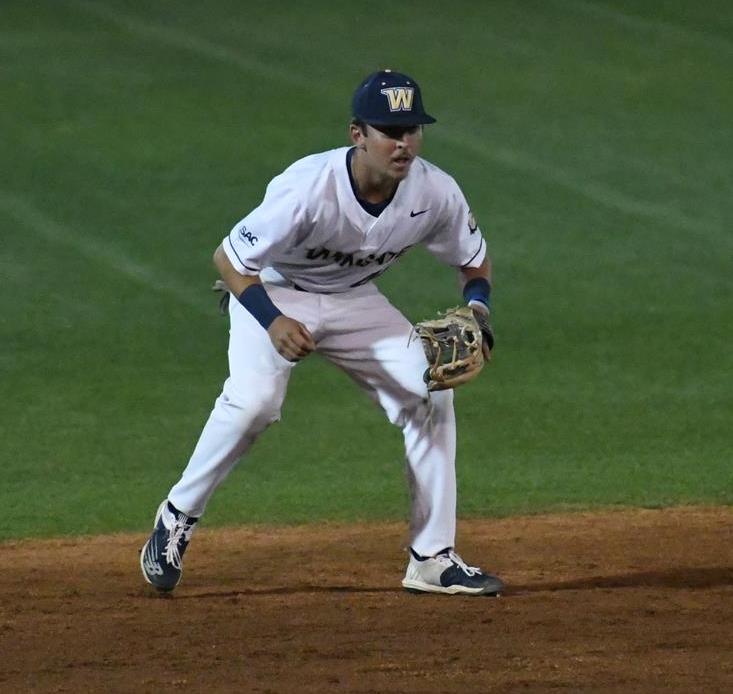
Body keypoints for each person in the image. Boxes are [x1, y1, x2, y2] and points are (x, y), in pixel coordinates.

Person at [141, 70, 503, 597]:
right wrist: (273, 320)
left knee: (430, 392)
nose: (403, 143)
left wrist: (478, 312)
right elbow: (229, 259)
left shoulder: (435, 191)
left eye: (412, 130)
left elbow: (475, 262)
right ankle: (178, 515)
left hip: (356, 301)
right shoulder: (307, 187)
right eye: (388, 130)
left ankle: (432, 558)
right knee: (255, 403)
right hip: (273, 291)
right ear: (357, 133)